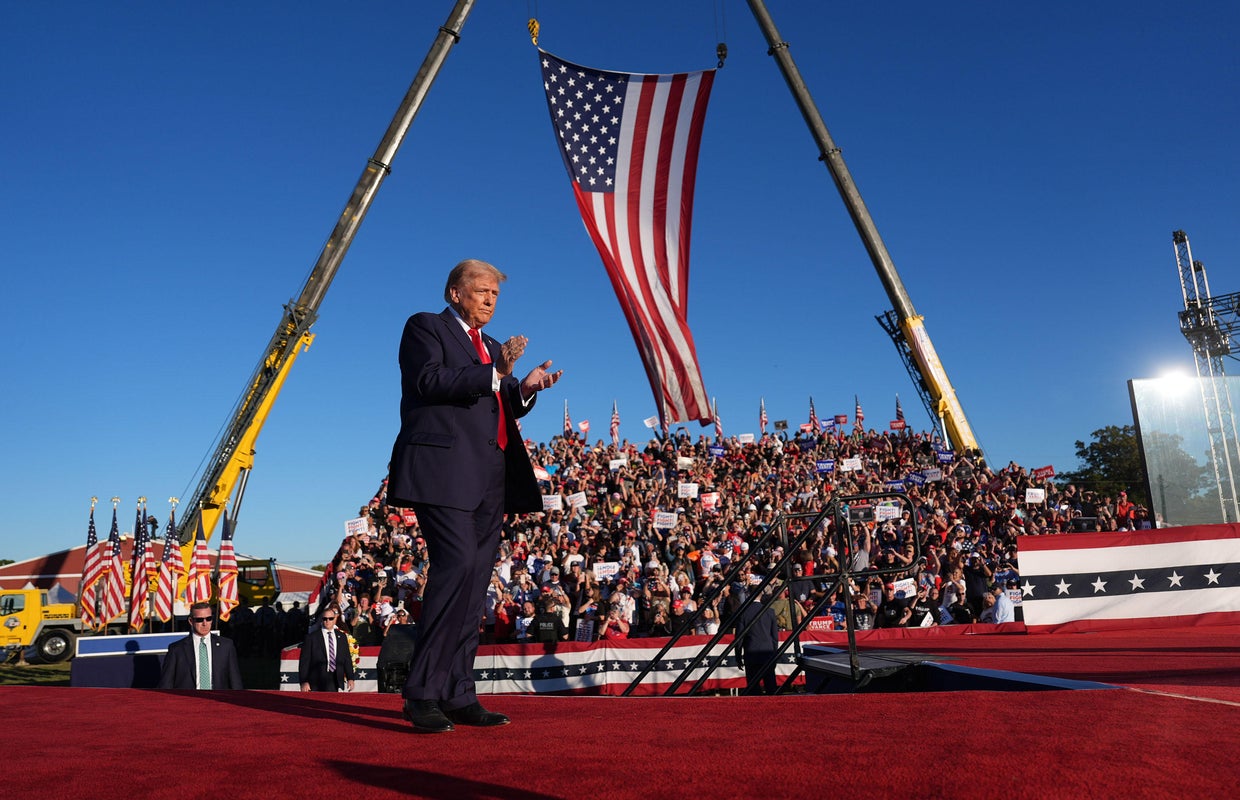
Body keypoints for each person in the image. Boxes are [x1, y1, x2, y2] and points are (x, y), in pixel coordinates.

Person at [386, 259, 561, 733]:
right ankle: (422, 692)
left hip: (491, 477)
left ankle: (459, 694)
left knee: (474, 585)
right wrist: (494, 372)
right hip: (442, 472)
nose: (489, 299)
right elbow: (427, 381)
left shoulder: (493, 348)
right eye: (481, 291)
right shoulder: (426, 327)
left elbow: (499, 403)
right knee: (457, 566)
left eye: (495, 294)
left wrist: (523, 387)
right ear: (454, 293)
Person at [157, 601, 244, 690]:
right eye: (199, 620)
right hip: (188, 701)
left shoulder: (226, 646)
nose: (205, 623)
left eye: (209, 618)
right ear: (191, 621)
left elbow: (235, 681)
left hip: (218, 700)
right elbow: (166, 683)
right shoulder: (176, 649)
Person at [730, 587, 780, 695]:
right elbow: (775, 637)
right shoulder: (770, 611)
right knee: (770, 686)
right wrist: (774, 654)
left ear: (748, 594)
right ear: (761, 595)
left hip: (751, 653)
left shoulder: (743, 612)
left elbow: (739, 638)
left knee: (753, 689)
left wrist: (738, 656)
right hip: (767, 652)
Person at [298, 604, 355, 692]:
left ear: (335, 619)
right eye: (325, 619)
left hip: (335, 678)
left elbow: (347, 659)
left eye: (330, 618)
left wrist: (350, 678)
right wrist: (304, 681)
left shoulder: (342, 637)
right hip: (316, 680)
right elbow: (304, 662)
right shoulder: (311, 638)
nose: (327, 621)